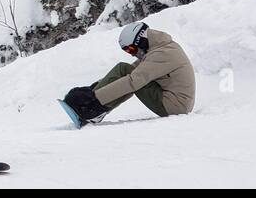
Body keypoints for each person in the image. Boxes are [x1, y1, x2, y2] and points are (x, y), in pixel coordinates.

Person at [62, 21, 195, 126]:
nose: (132, 54)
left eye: (131, 49)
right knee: (124, 70)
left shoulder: (163, 53)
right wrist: (91, 89)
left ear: (141, 40)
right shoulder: (160, 49)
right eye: (127, 51)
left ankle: (92, 108)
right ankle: (91, 104)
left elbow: (132, 81)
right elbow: (125, 74)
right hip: (175, 102)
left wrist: (95, 97)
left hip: (174, 107)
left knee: (129, 76)